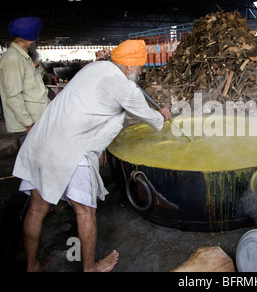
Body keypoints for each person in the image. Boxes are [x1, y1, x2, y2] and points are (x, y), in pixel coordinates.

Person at [13, 40, 171, 272]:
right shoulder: (124, 87)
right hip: (70, 150)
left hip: (40, 140)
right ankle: (90, 268)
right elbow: (152, 119)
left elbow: (102, 106)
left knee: (37, 209)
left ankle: (32, 265)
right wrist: (163, 116)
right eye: (138, 67)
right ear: (129, 67)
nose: (138, 72)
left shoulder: (93, 67)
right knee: (85, 211)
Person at [0, 17, 49, 145]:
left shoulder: (22, 57)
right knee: (33, 161)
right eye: (35, 37)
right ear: (27, 38)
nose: (36, 40)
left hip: (35, 119)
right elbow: (13, 96)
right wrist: (28, 124)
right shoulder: (13, 59)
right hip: (28, 124)